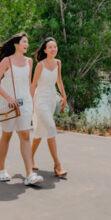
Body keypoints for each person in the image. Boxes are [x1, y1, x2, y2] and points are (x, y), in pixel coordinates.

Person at [0, 32, 43, 186]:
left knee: (25, 136)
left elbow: (28, 83)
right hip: (8, 103)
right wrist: (8, 98)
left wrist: (31, 102)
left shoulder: (29, 61)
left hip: (25, 102)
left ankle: (29, 174)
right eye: (24, 42)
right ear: (16, 44)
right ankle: (0, 169)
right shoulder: (7, 61)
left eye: (27, 42)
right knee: (6, 136)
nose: (27, 45)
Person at [30, 37, 68, 177]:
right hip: (40, 100)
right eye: (50, 47)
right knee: (51, 128)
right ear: (45, 50)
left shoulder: (58, 63)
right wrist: (30, 103)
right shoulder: (40, 65)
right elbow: (33, 85)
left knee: (39, 132)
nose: (53, 49)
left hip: (52, 99)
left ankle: (29, 158)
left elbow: (59, 81)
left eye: (55, 46)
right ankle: (57, 165)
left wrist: (64, 97)